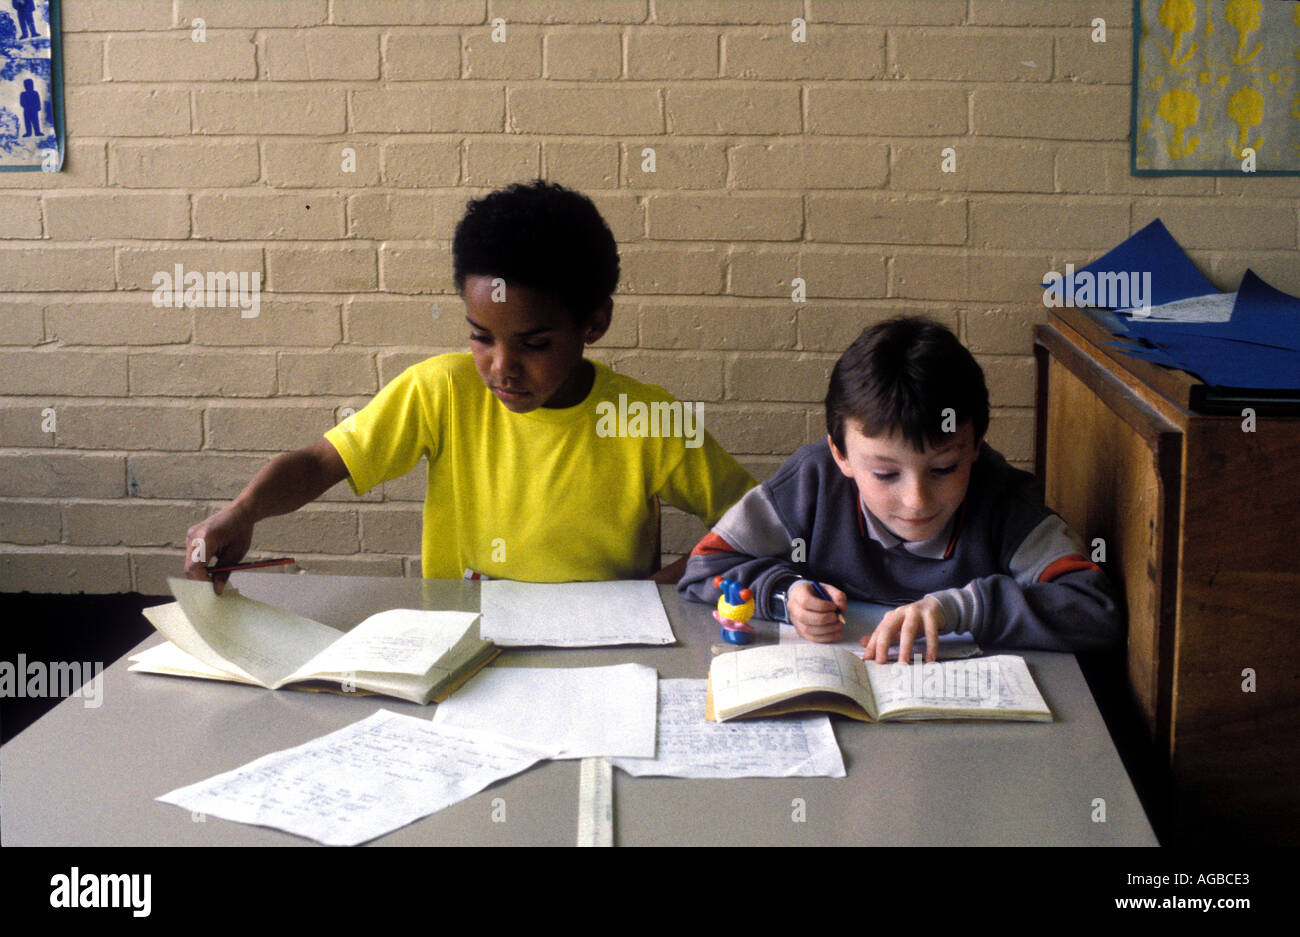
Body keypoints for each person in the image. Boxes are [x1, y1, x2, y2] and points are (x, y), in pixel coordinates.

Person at [186, 180, 754, 592]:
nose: (501, 367)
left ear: (593, 324)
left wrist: (656, 592)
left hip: (603, 658)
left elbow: (755, 522)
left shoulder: (644, 417)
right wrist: (242, 512)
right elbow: (319, 463)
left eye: (533, 345)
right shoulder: (441, 391)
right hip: (465, 652)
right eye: (481, 337)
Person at [678, 316, 1120, 662]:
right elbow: (706, 567)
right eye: (886, 475)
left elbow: (1093, 610)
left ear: (975, 448)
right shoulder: (812, 484)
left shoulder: (1002, 501)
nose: (917, 501)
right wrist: (784, 595)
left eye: (944, 468)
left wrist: (959, 609)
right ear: (841, 455)